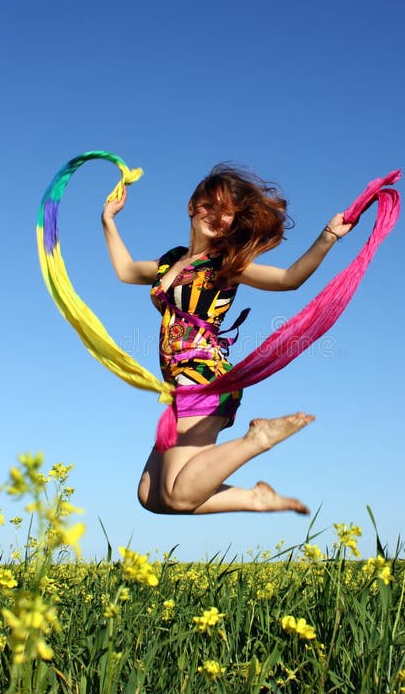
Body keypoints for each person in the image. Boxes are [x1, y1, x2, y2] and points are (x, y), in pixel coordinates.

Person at [101, 165, 352, 516]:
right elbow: (126, 271)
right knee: (151, 496)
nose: (216, 217)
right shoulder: (171, 260)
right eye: (210, 206)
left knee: (177, 495)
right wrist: (109, 219)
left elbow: (288, 279)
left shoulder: (225, 264)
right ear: (192, 205)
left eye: (228, 214)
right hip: (179, 381)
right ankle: (254, 498)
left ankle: (257, 440)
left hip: (204, 375)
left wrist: (328, 237)